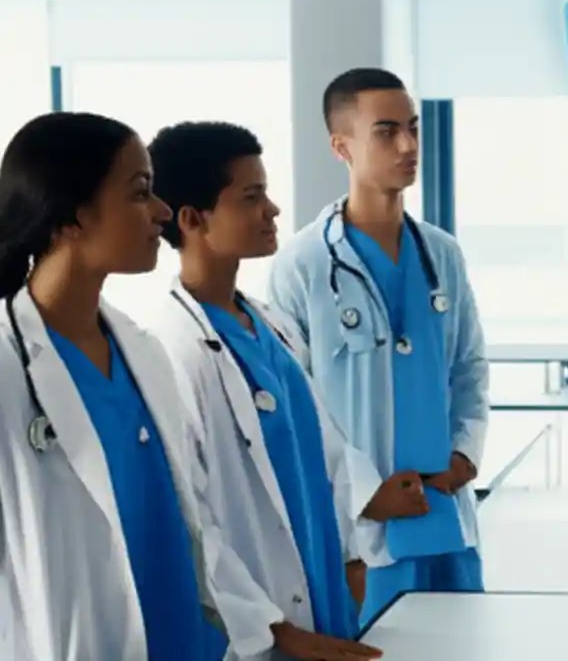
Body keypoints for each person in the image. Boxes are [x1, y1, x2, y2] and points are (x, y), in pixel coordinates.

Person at [0, 112, 284, 659]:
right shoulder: (10, 366)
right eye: (140, 192)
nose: (160, 212)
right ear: (72, 216)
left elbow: (193, 522)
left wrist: (270, 626)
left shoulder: (143, 352)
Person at [147, 121, 404, 660]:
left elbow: (323, 454)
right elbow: (191, 521)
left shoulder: (270, 327)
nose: (273, 210)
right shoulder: (175, 350)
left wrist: (352, 556)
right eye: (252, 196)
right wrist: (277, 631)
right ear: (193, 219)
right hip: (264, 630)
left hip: (328, 600)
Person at [268, 68, 490, 627]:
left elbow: (469, 366)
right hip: (365, 533)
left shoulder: (441, 253)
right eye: (387, 132)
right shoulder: (303, 265)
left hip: (445, 518)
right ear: (341, 146)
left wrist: (466, 452)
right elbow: (296, 402)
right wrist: (366, 494)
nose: (409, 145)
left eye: (413, 128)